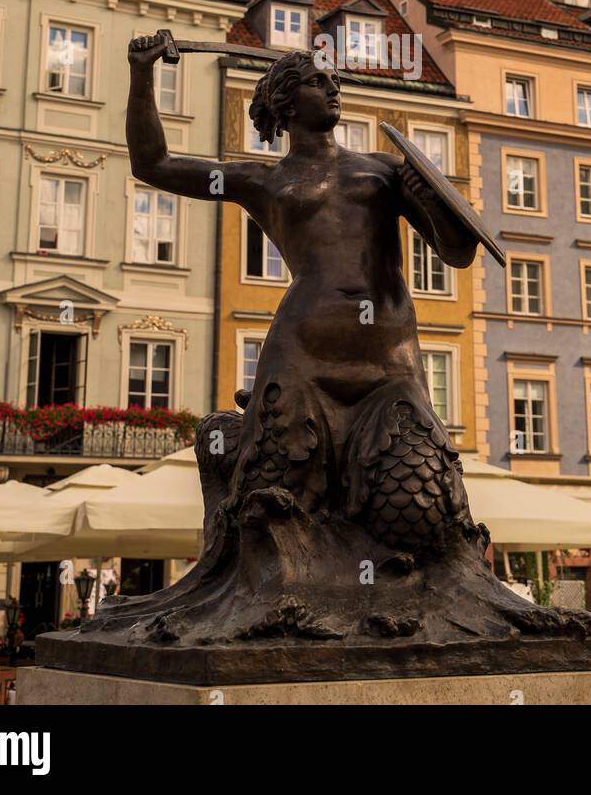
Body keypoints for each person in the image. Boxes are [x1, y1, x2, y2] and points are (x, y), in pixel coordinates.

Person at [126, 35, 479, 551]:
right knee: (276, 508)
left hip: (388, 363)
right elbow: (152, 165)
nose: (333, 88)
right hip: (302, 358)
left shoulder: (383, 170)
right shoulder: (261, 181)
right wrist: (142, 74)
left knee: (417, 504)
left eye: (335, 80)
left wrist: (435, 203)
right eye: (318, 81)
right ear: (285, 103)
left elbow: (458, 251)